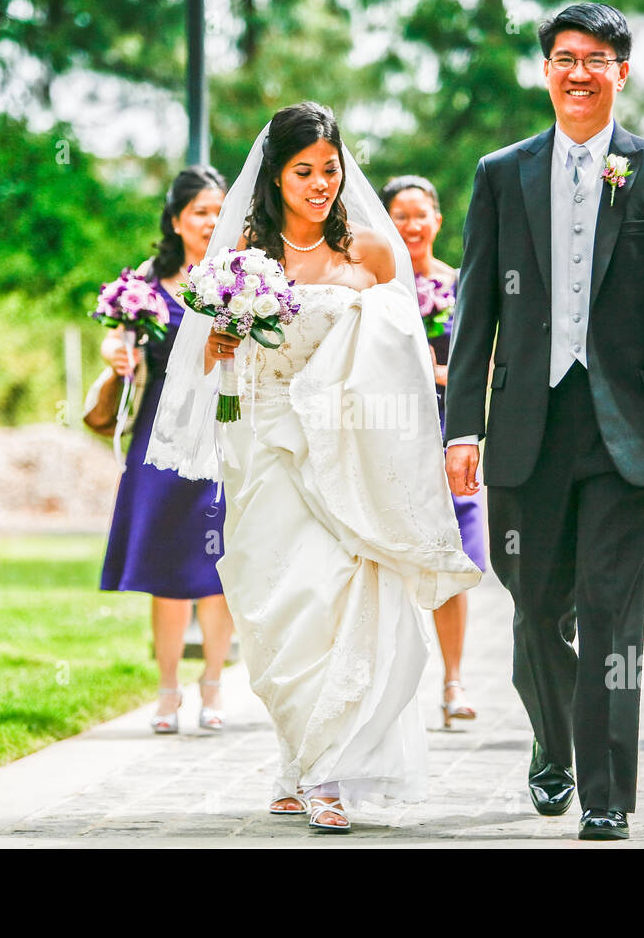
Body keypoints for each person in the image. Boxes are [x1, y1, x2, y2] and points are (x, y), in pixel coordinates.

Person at [146, 102, 480, 834]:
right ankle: (295, 758)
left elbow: (404, 365)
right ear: (275, 176)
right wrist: (225, 343)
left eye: (330, 168)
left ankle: (329, 770)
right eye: (304, 171)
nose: (321, 183)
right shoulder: (239, 258)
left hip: (350, 452)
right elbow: (205, 361)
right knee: (280, 607)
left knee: (340, 592)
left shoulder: (373, 255)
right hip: (264, 446)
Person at [444, 3, 644, 841]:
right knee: (532, 607)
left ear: (622, 73)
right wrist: (463, 428)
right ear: (545, 70)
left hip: (628, 430)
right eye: (564, 57)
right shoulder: (502, 172)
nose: (578, 71)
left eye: (596, 59)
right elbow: (475, 309)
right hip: (526, 425)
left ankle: (605, 795)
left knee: (610, 610)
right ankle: (552, 735)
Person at [99, 166, 235, 735]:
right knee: (166, 567)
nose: (210, 221)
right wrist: (115, 353)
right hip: (159, 437)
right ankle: (166, 692)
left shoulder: (240, 278)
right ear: (177, 219)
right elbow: (116, 344)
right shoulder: (144, 288)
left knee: (218, 565)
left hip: (224, 431)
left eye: (219, 210)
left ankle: (213, 689)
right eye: (200, 211)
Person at [382, 174, 488, 727]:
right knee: (390, 559)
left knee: (452, 554)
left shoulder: (462, 282)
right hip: (388, 433)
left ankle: (453, 681)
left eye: (420, 214)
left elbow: (488, 364)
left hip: (450, 436)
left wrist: (436, 372)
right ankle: (392, 691)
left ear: (438, 221)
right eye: (399, 215)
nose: (411, 225)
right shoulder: (376, 286)